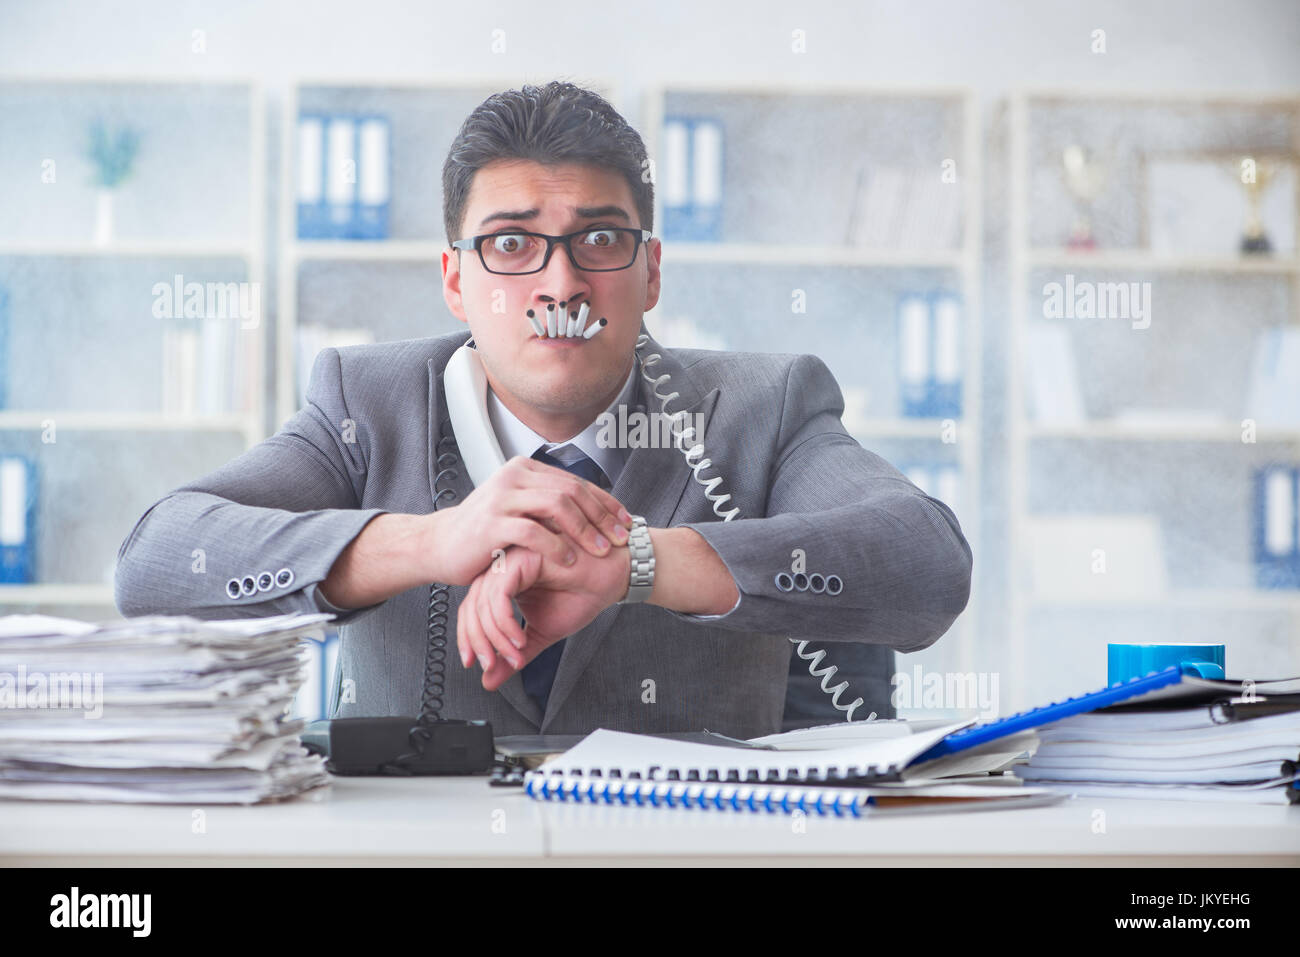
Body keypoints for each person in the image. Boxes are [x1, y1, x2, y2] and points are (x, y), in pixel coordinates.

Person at [114, 80, 972, 738]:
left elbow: (928, 564)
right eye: (512, 244)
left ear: (652, 273)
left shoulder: (762, 408)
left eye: (600, 240)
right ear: (456, 279)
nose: (560, 284)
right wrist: (429, 540)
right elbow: (155, 564)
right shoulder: (365, 404)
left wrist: (640, 564)